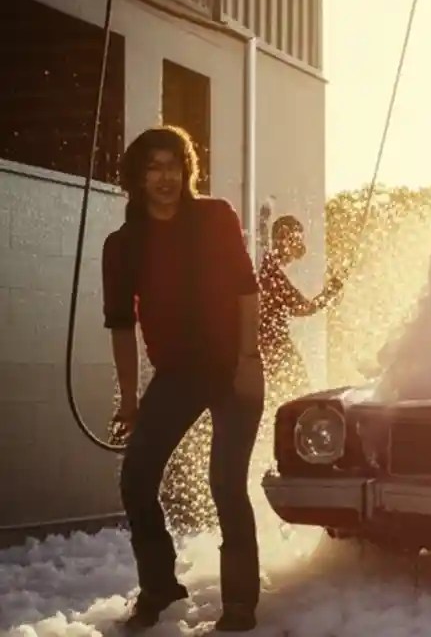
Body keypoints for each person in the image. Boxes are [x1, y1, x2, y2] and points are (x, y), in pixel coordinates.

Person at [102, 126, 265, 633]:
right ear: (137, 176)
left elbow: (246, 290)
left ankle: (239, 605)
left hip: (233, 368)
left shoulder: (215, 217)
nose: (165, 176)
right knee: (136, 479)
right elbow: (121, 326)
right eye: (153, 166)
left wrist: (249, 359)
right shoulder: (123, 245)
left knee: (225, 484)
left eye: (173, 164)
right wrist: (128, 401)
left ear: (187, 170)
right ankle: (157, 586)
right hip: (177, 375)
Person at [258, 215, 343, 394]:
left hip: (268, 346)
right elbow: (303, 308)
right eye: (297, 240)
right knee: (300, 392)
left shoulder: (268, 270)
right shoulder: (271, 274)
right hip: (273, 346)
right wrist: (331, 292)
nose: (300, 250)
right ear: (284, 236)